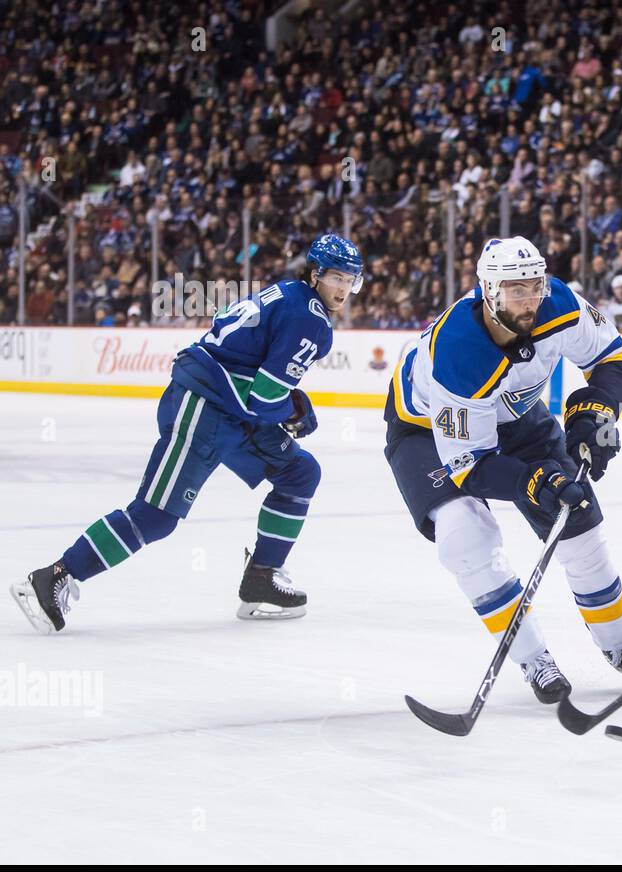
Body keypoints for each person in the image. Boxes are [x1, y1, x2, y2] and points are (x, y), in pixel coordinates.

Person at [11, 233, 362, 632]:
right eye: (337, 278)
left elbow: (255, 377)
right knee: (156, 515)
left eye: (352, 281)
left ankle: (262, 577)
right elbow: (265, 400)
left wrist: (290, 404)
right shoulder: (310, 320)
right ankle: (54, 576)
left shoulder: (290, 294)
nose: (344, 289)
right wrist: (294, 410)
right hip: (207, 407)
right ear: (315, 274)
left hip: (230, 405)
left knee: (299, 473)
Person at [383, 236, 622, 703]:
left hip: (519, 416)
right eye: (517, 290)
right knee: (465, 538)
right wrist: (530, 483)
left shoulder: (560, 303)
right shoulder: (460, 350)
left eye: (535, 286)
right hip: (425, 432)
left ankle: (620, 647)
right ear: (490, 292)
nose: (531, 299)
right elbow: (469, 464)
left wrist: (595, 415)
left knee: (580, 523)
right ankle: (535, 659)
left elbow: (612, 359)